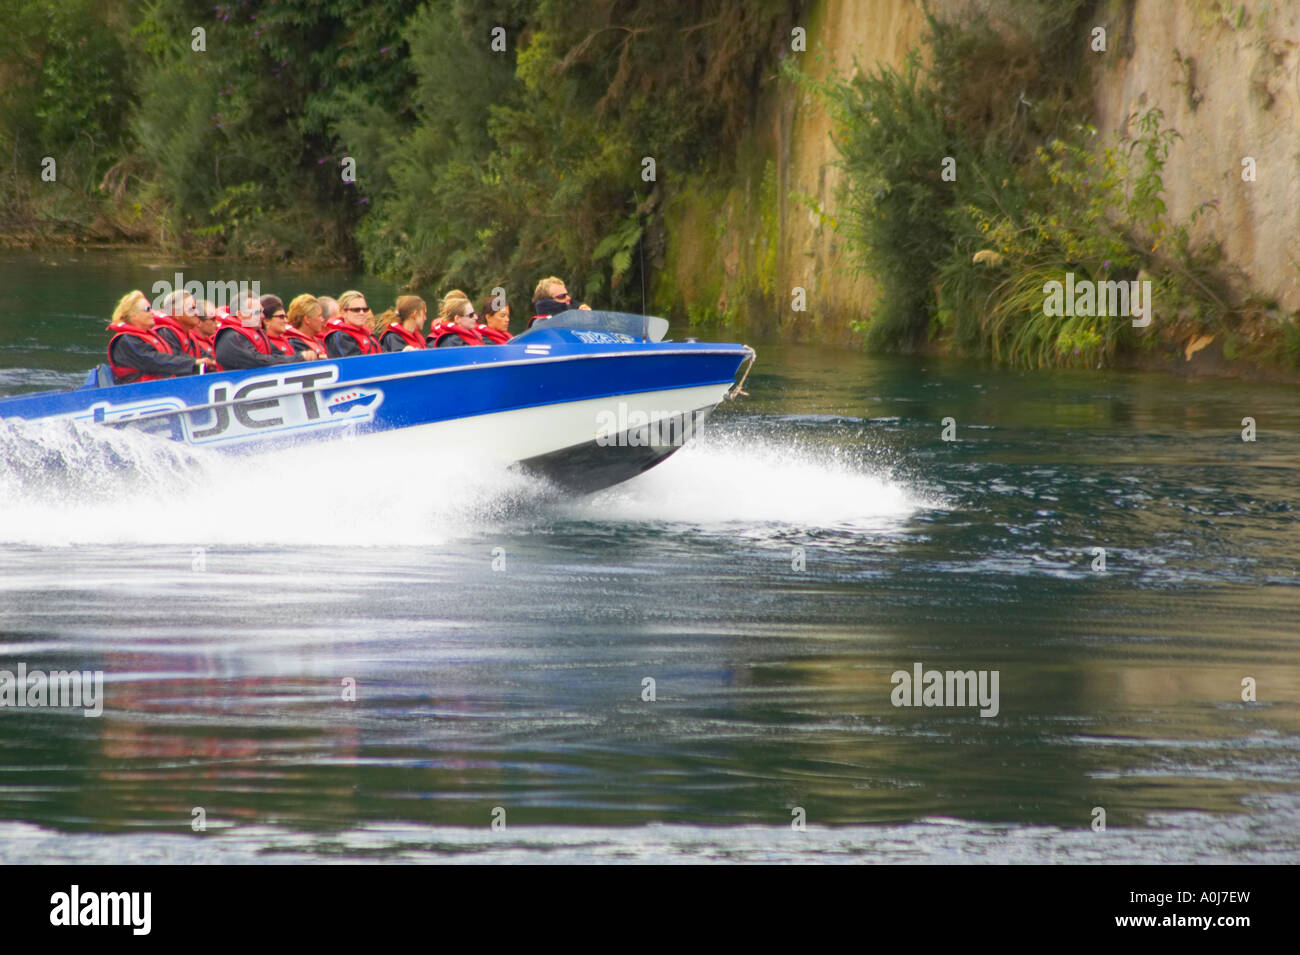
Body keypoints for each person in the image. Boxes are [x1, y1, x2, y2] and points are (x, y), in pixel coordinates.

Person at [105, 290, 210, 384]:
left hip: (160, 388)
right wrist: (193, 363)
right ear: (133, 315)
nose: (152, 312)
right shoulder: (126, 341)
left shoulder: (152, 336)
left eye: (151, 308)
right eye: (147, 309)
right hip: (138, 394)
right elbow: (154, 361)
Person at [214, 296, 300, 369]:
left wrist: (298, 359)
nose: (263, 316)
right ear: (240, 315)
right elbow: (256, 361)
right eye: (257, 312)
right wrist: (298, 358)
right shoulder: (231, 336)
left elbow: (278, 354)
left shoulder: (259, 333)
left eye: (262, 312)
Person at [323, 290, 382, 357]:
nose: (362, 313)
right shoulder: (340, 336)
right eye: (356, 310)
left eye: (365, 309)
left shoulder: (369, 335)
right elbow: (354, 364)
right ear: (343, 313)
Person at [151, 289, 203, 360]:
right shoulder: (165, 333)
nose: (197, 312)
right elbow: (176, 362)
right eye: (192, 308)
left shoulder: (189, 335)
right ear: (176, 313)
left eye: (196, 308)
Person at [528, 276, 592, 329]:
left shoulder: (574, 315)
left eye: (567, 294)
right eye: (562, 296)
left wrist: (583, 310)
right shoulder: (542, 326)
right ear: (548, 302)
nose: (568, 298)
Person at [191, 300, 221, 369]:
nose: (217, 322)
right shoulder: (192, 343)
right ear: (199, 322)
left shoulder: (210, 340)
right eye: (213, 319)